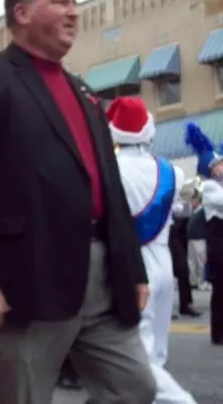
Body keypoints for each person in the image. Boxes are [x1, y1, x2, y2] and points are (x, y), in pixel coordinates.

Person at [0, 0, 155, 404]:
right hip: (25, 276)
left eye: (74, 3)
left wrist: (133, 268)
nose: (74, 12)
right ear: (21, 11)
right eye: (60, 2)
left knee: (133, 389)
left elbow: (108, 186)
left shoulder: (84, 92)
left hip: (101, 276)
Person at [107, 97, 197, 404]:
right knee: (157, 352)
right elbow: (181, 208)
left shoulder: (109, 170)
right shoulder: (173, 172)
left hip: (133, 268)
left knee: (139, 358)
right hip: (163, 264)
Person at [185, 122, 223, 345]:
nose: (222, 165)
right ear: (210, 168)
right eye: (218, 163)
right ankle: (218, 332)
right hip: (218, 241)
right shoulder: (210, 187)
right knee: (220, 289)